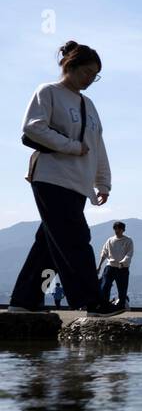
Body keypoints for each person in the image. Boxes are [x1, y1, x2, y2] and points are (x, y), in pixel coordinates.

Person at [10, 41, 122, 317]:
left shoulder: (89, 105)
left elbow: (97, 145)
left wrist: (103, 181)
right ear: (69, 66)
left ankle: (25, 299)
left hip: (78, 182)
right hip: (51, 177)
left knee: (48, 245)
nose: (90, 80)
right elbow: (32, 128)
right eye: (86, 72)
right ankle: (91, 300)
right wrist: (71, 146)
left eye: (95, 75)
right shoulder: (48, 92)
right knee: (75, 238)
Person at [98, 221, 133, 307]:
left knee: (122, 288)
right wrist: (99, 266)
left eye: (119, 229)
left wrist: (123, 262)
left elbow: (129, 253)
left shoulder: (128, 240)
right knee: (105, 285)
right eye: (115, 229)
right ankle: (104, 304)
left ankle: (121, 303)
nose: (117, 230)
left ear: (123, 230)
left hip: (122, 267)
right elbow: (104, 253)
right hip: (110, 266)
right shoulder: (110, 240)